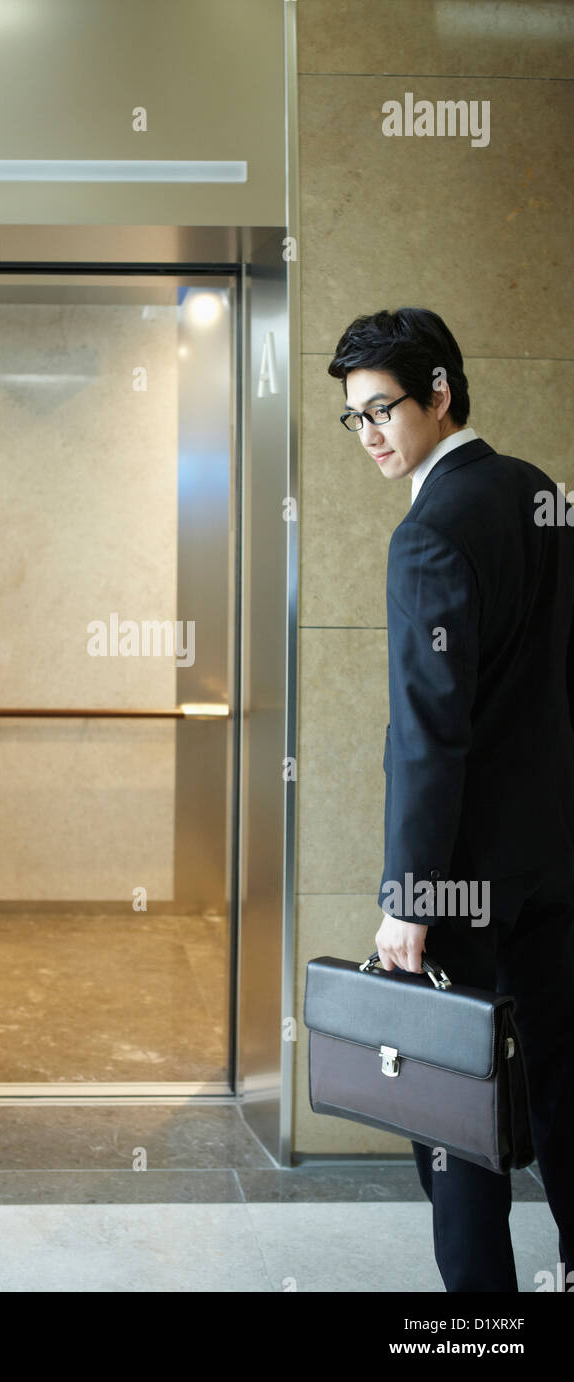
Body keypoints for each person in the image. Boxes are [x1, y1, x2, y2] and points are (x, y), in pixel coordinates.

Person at [328, 307, 574, 1293]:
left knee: (450, 1111)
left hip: (462, 881)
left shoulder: (429, 533)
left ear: (438, 391)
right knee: (559, 1082)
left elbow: (429, 737)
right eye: (353, 418)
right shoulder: (539, 494)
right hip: (550, 860)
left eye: (382, 407)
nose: (370, 434)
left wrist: (406, 897)